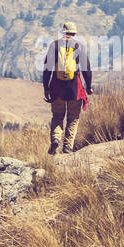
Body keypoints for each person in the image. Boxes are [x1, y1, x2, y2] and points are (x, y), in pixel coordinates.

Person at [42, 21, 92, 154]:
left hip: (56, 87)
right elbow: (86, 68)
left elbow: (47, 69)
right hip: (74, 88)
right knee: (73, 118)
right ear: (74, 33)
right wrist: (89, 86)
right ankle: (68, 147)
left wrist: (46, 88)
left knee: (58, 116)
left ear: (63, 32)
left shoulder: (54, 45)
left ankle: (56, 139)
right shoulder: (78, 46)